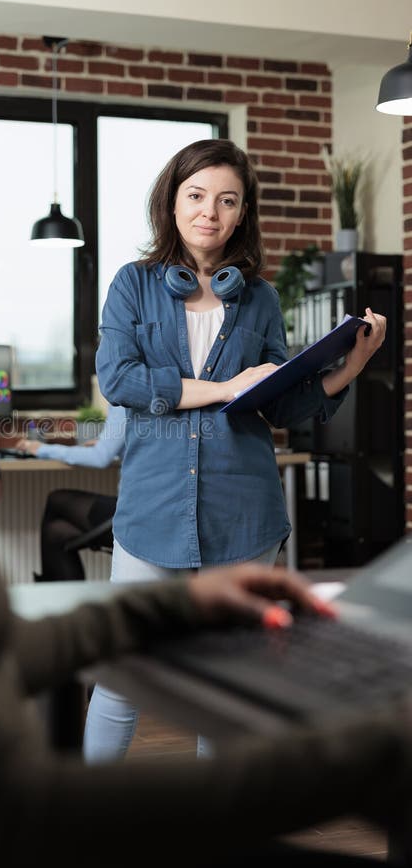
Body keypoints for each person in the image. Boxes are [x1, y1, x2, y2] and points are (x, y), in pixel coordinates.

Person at [0, 0, 410, 868]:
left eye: (227, 201)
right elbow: (2, 814)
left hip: (239, 516)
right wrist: (370, 756)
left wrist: (167, 607)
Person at [83, 138, 387, 762]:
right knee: (120, 679)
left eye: (227, 201)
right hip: (152, 513)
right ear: (171, 202)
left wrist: (348, 368)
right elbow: (119, 381)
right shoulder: (131, 286)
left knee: (225, 689)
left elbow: (279, 403)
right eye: (195, 196)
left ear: (243, 212)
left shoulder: (262, 298)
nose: (209, 213)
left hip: (244, 514)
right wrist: (223, 387)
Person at [17, 404, 125, 581]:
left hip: (132, 516)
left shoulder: (124, 396)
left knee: (56, 500)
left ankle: (56, 599)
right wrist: (108, 442)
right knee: (57, 532)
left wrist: (41, 449)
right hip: (162, 513)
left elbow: (100, 458)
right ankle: (61, 599)